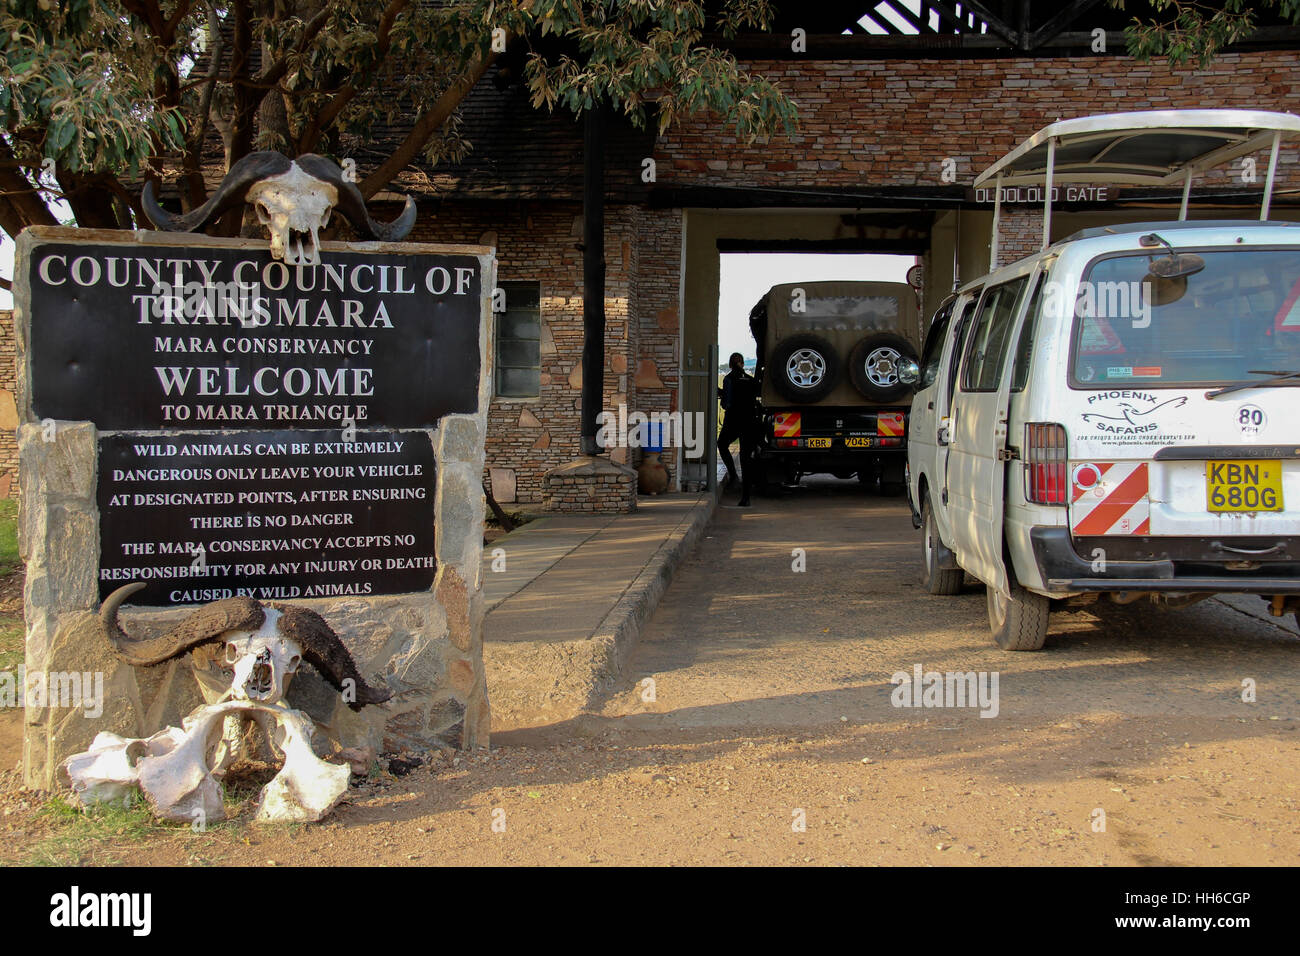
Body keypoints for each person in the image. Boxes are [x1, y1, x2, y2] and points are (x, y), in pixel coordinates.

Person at [717, 352, 759, 505]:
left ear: (729, 365)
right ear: (742, 364)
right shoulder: (750, 380)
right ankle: (746, 498)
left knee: (722, 444)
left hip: (733, 421)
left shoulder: (728, 379)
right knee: (746, 458)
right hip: (749, 422)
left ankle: (733, 475)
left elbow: (727, 402)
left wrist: (720, 393)